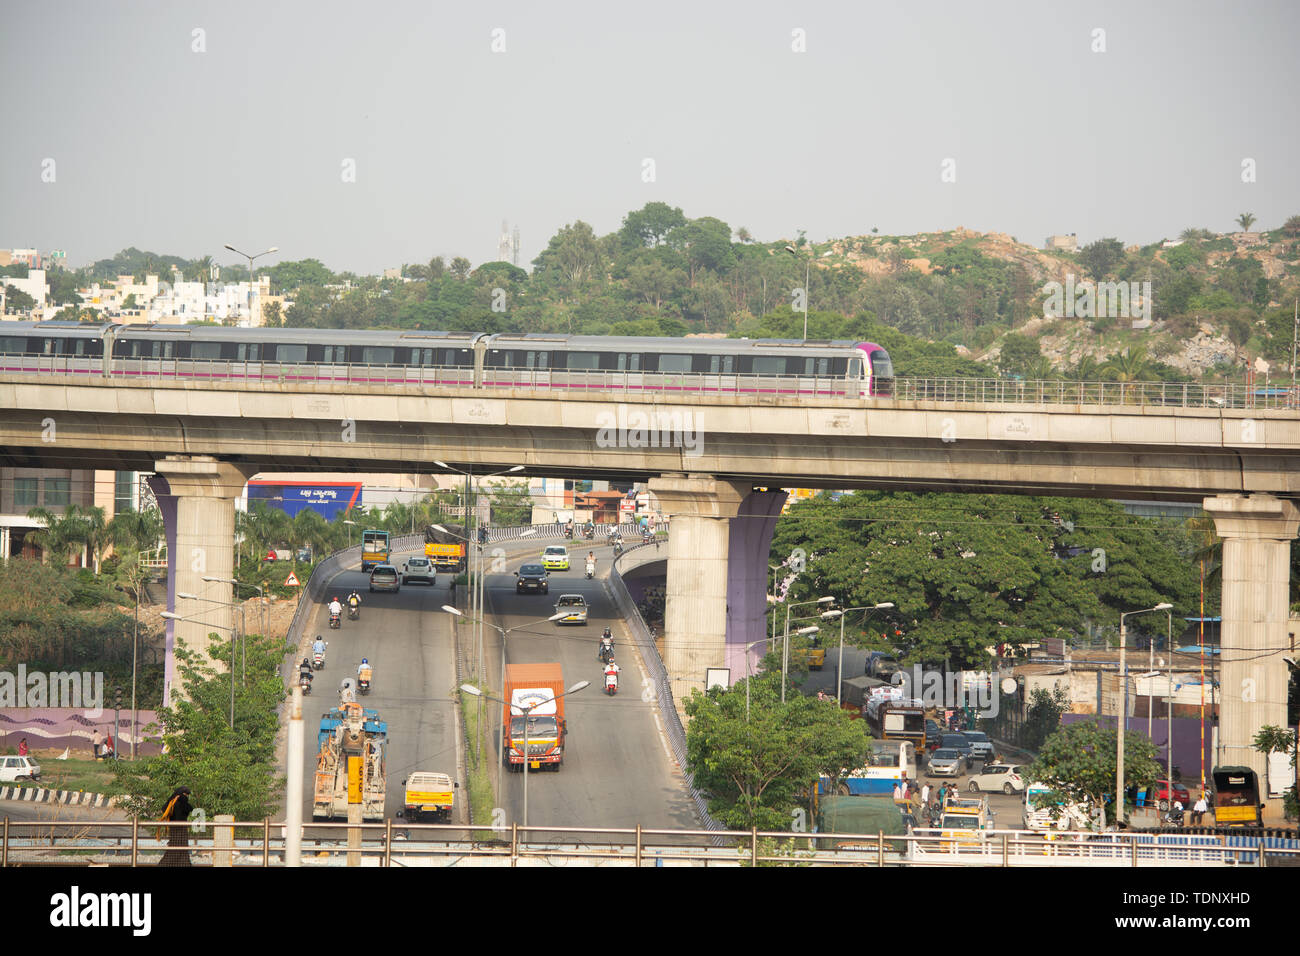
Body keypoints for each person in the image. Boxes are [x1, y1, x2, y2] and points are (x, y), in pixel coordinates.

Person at [158, 786, 193, 867]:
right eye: (185, 794)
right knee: (176, 850)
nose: (186, 796)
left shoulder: (172, 802)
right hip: (179, 829)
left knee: (181, 850)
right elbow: (189, 808)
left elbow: (189, 808)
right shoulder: (177, 803)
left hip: (176, 829)